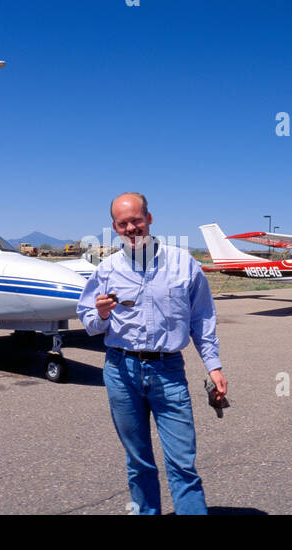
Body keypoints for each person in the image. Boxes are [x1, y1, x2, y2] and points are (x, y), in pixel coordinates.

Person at [76, 192, 228, 515]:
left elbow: (202, 320)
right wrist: (101, 314)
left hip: (168, 371)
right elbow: (88, 321)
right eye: (123, 223)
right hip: (121, 371)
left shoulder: (183, 264)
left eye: (136, 220)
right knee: (139, 462)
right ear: (114, 227)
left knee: (182, 463)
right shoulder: (106, 270)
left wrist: (213, 366)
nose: (131, 228)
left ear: (150, 219)